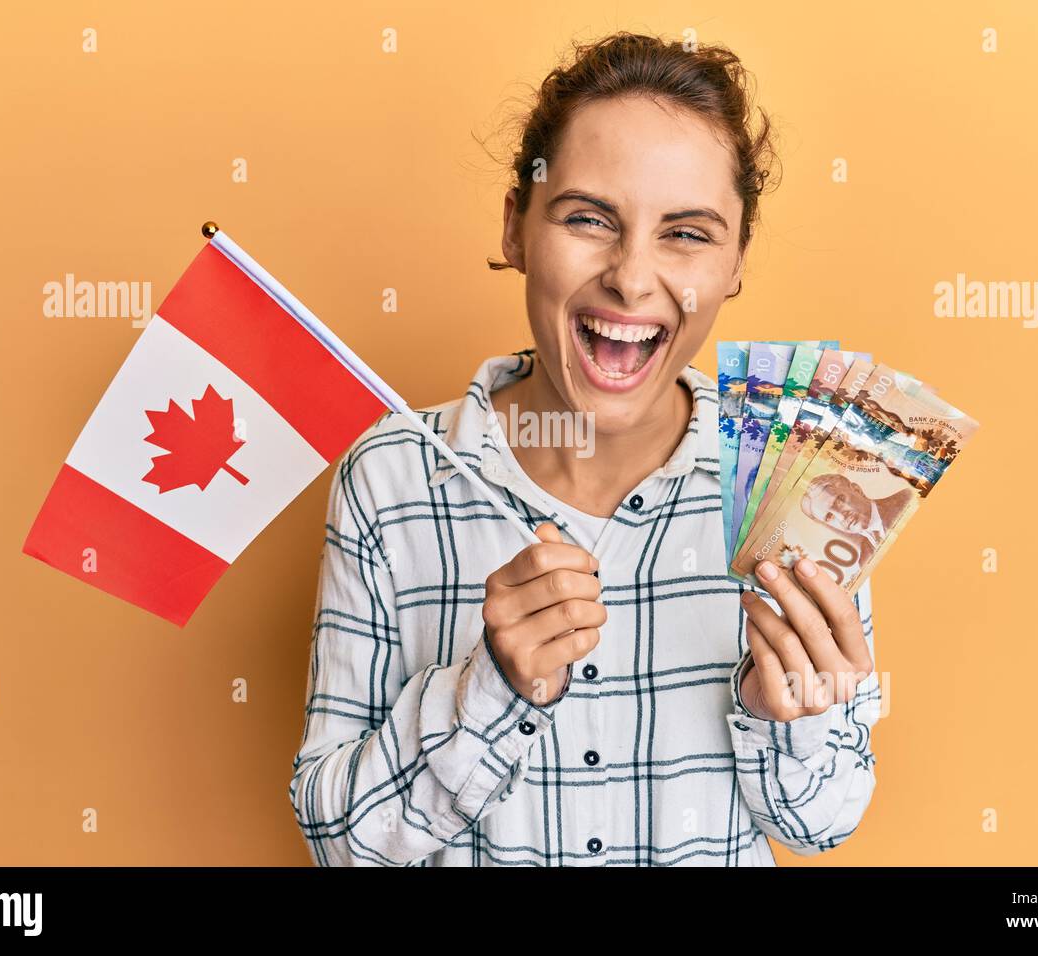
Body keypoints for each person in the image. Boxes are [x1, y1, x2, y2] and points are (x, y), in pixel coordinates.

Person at [289, 31, 881, 866]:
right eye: (589, 219)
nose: (633, 279)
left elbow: (821, 823)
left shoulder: (794, 482)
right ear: (516, 228)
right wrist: (488, 690)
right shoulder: (390, 477)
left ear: (737, 262)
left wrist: (789, 711)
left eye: (687, 233)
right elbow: (337, 844)